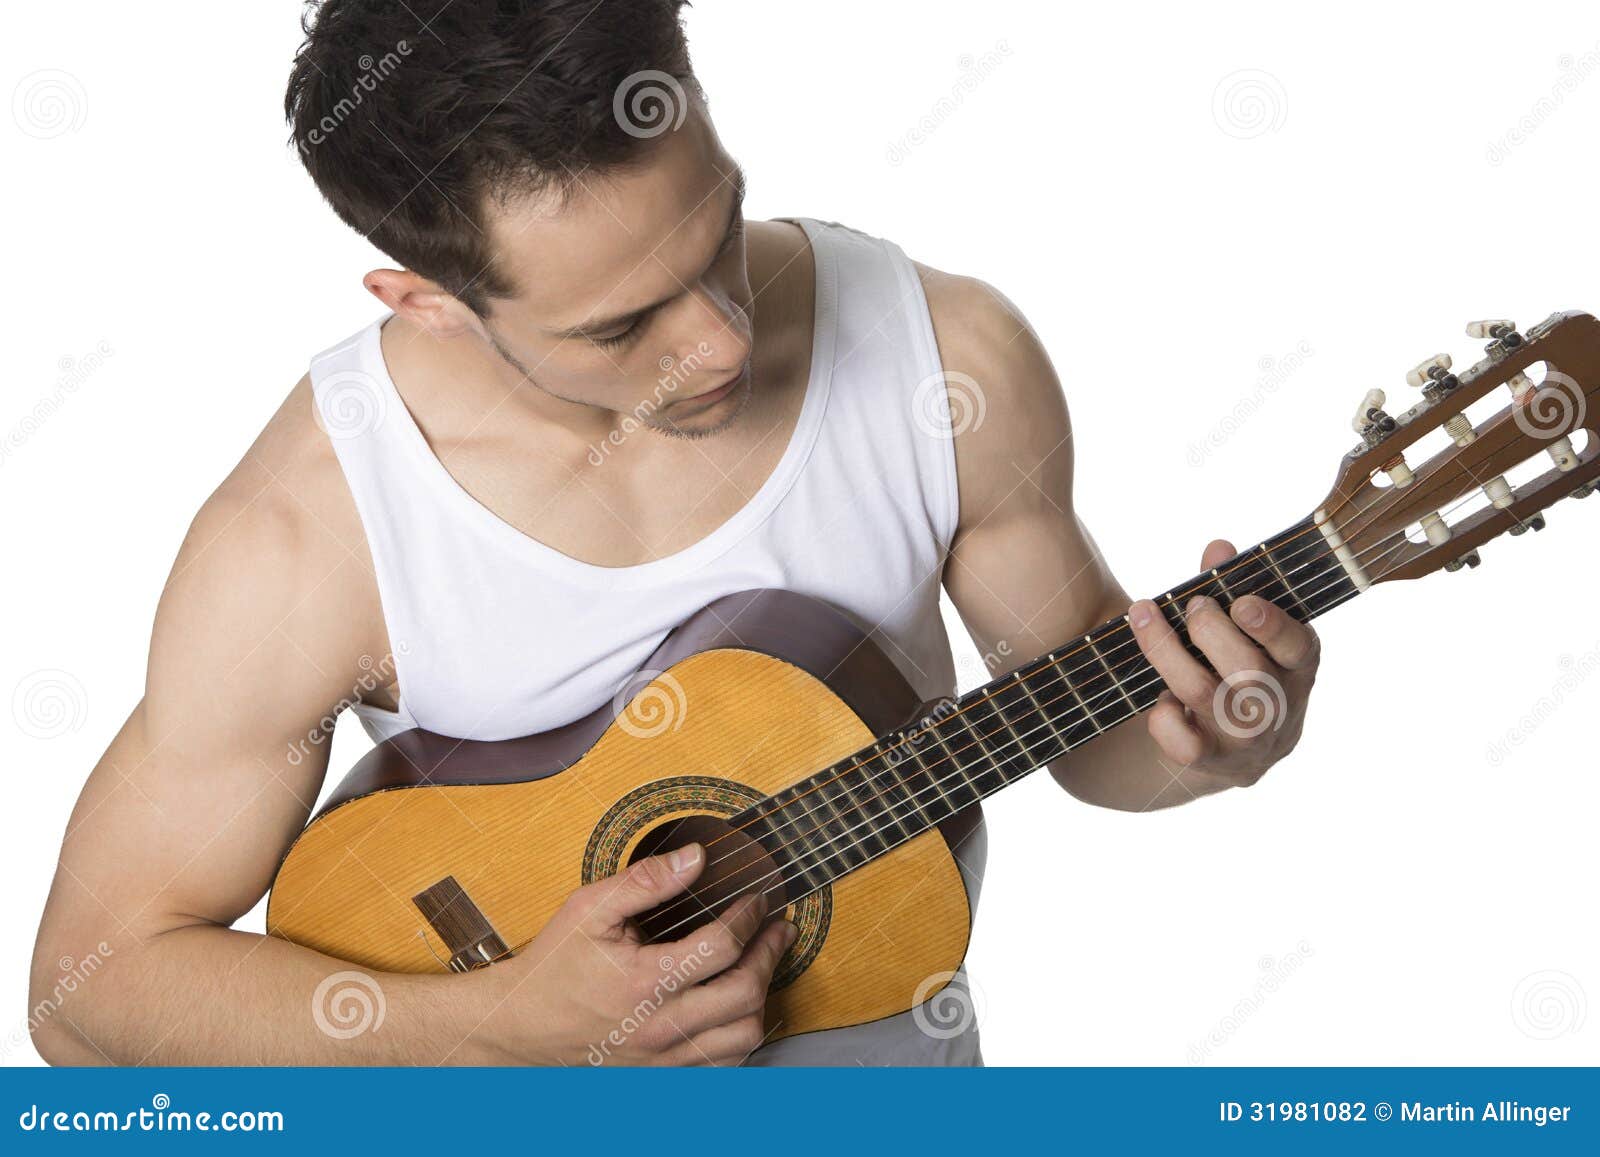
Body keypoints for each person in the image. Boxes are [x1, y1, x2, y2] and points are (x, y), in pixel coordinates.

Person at [29, 0, 1320, 1067]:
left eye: (716, 235)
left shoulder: (948, 363)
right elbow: (90, 995)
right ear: (428, 304)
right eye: (620, 326)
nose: (721, 340)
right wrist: (498, 1025)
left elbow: (1096, 739)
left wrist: (1214, 740)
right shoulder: (308, 536)